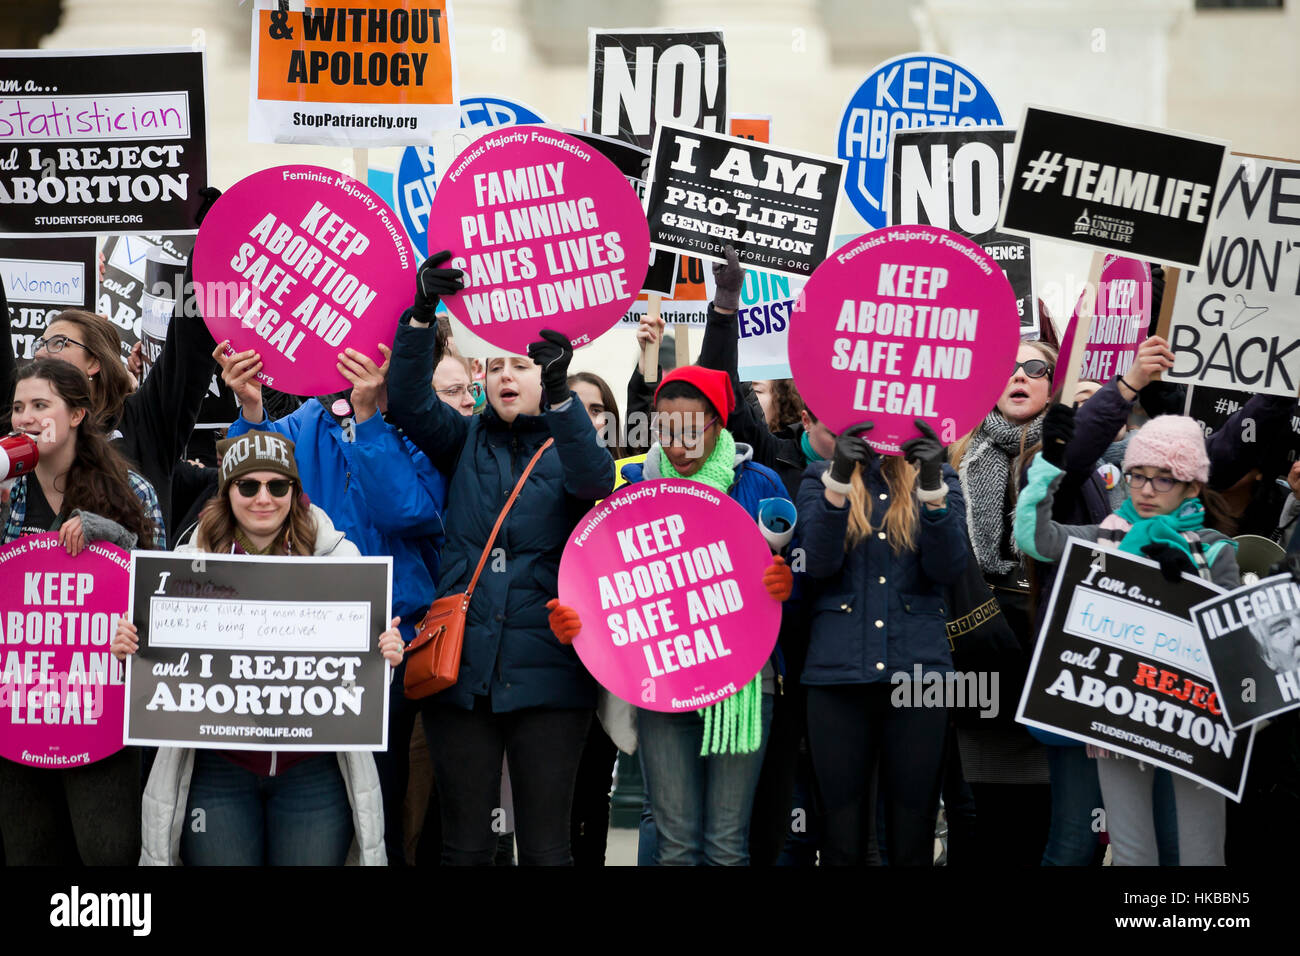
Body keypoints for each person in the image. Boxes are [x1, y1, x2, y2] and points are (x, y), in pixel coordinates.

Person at [386, 251, 615, 866]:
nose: (506, 376)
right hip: (461, 675)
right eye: (496, 367)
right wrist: (421, 315)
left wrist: (565, 398)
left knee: (545, 848)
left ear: (547, 376)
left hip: (550, 677)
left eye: (522, 365)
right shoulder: (462, 441)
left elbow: (598, 483)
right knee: (465, 847)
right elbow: (407, 402)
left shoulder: (570, 446)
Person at [114, 432, 399, 865]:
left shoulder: (340, 560)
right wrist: (133, 649)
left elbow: (361, 682)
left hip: (313, 771)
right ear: (227, 493)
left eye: (277, 486)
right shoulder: (188, 560)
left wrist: (386, 655)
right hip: (217, 769)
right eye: (248, 486)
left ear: (294, 493)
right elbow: (161, 674)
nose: (263, 498)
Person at [213, 338, 448, 866]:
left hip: (395, 649)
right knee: (320, 807)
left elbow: (408, 512)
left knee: (381, 811)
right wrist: (251, 409)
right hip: (308, 650)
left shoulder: (421, 426)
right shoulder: (299, 424)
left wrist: (368, 419)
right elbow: (249, 493)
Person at [550, 365, 795, 866]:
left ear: (719, 424)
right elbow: (610, 582)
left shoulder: (761, 482)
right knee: (675, 843)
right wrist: (576, 619)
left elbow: (802, 574)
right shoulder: (632, 484)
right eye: (665, 430)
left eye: (691, 430)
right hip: (663, 680)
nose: (678, 445)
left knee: (727, 846)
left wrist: (786, 582)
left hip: (746, 681)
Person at [1016, 410, 1240, 865]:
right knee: (1131, 847)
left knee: (1199, 852)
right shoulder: (1107, 537)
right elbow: (1035, 539)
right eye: (1138, 476)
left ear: (1192, 486)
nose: (1145, 490)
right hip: (1119, 712)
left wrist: (1193, 582)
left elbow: (1234, 642)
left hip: (1192, 720)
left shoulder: (1215, 548)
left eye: (1163, 479)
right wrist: (1048, 466)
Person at [0, 358, 165, 866]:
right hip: (18, 710)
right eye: (17, 407)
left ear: (76, 415)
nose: (25, 418)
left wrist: (113, 535)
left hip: (100, 711)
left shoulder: (128, 490)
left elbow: (161, 594)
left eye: (40, 405)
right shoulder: (10, 491)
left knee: (107, 854)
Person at [796, 415, 967, 865]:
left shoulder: (943, 477)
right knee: (839, 835)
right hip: (837, 676)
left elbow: (949, 568)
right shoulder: (819, 477)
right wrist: (837, 482)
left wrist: (932, 490)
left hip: (919, 675)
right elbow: (815, 563)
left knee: (912, 832)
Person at [946, 340, 1058, 865]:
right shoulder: (961, 450)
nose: (1019, 375)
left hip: (1045, 656)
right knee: (980, 820)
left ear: (1053, 381)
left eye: (1034, 367)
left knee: (1041, 827)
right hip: (978, 650)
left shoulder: (1075, 455)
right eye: (1006, 365)